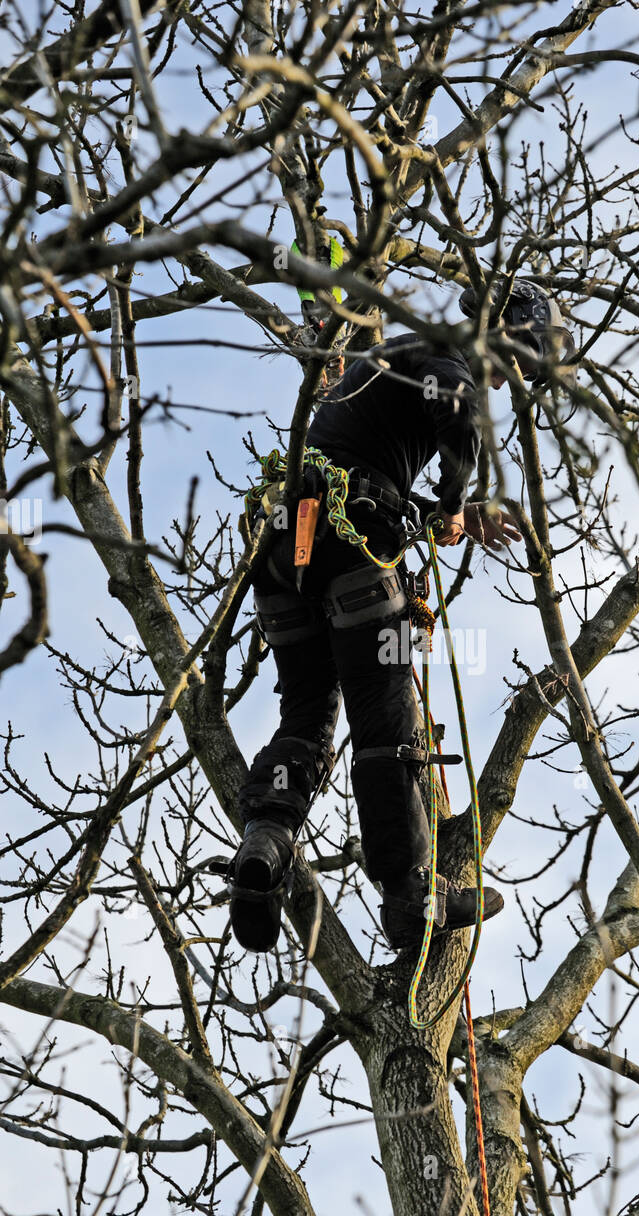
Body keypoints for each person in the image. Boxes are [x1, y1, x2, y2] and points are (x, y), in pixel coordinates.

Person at [229, 281, 573, 954]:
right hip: (347, 553)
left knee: (306, 713)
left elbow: (363, 470)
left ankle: (264, 843)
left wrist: (446, 512)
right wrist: (452, 498)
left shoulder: (388, 359)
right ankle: (412, 893)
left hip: (283, 555)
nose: (511, 381)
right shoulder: (446, 354)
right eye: (522, 359)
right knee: (388, 724)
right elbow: (458, 412)